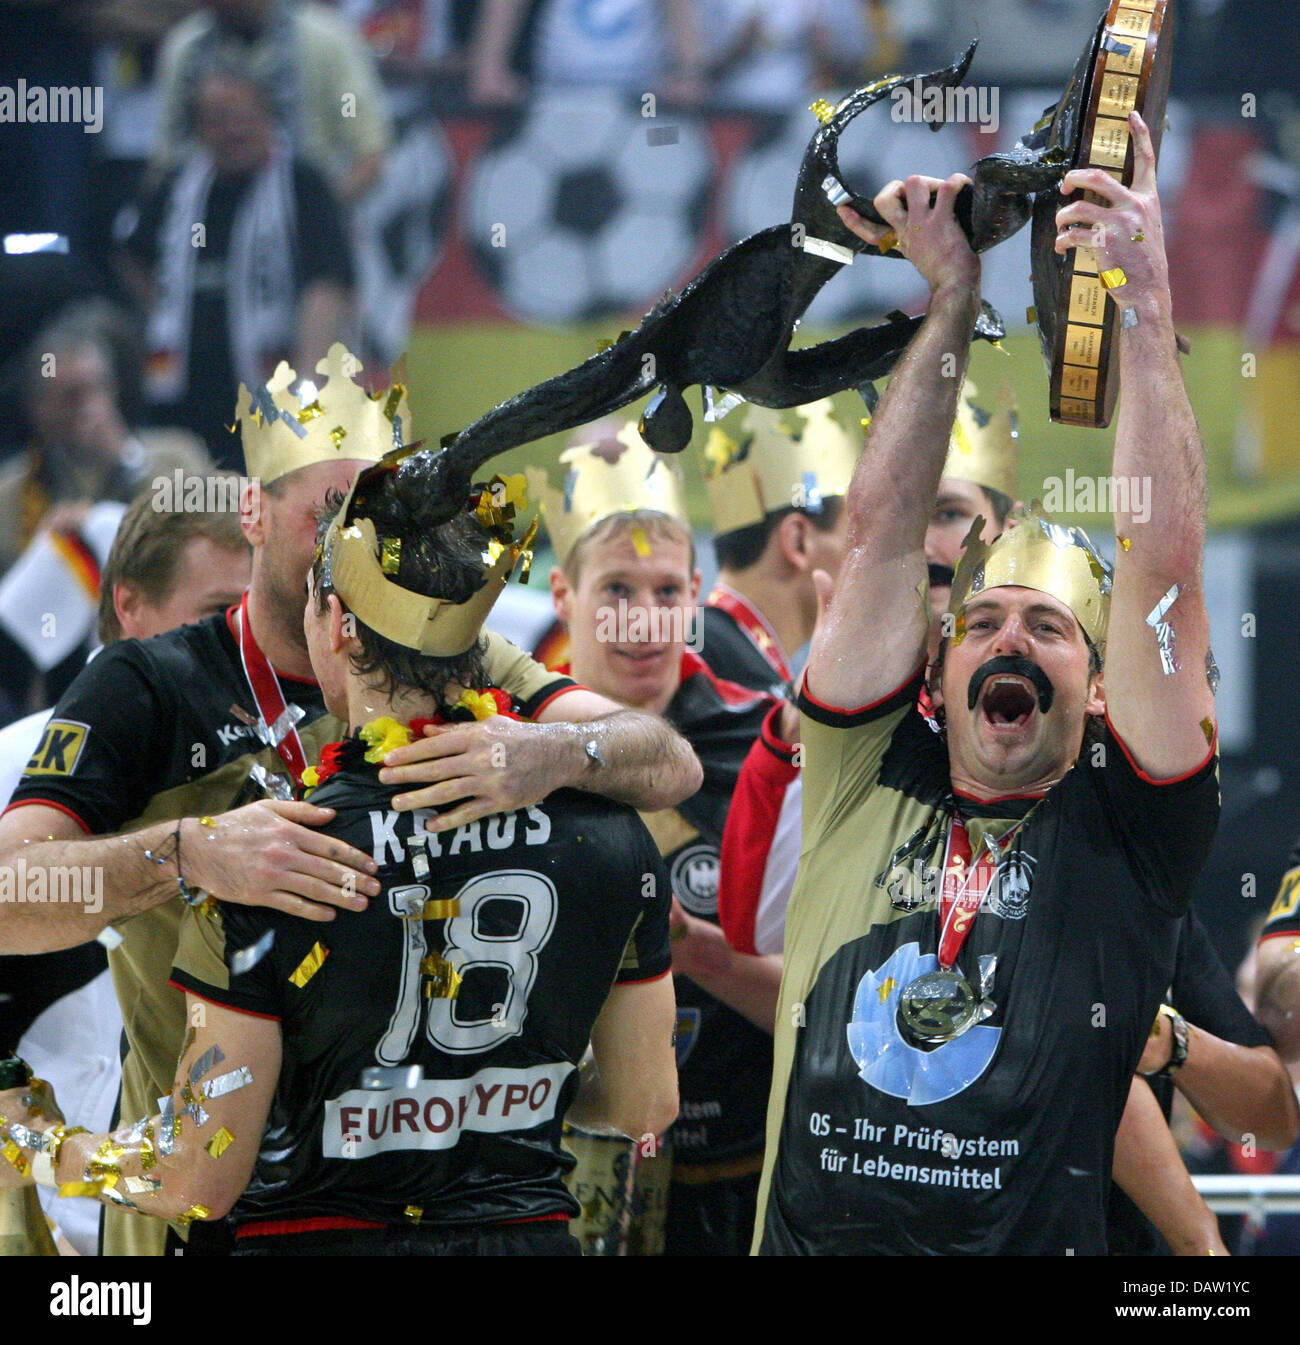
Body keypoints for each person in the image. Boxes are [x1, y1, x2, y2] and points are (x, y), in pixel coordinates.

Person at [0, 344, 701, 1255]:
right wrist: (184, 854)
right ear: (249, 510)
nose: (353, 535)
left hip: (315, 1191)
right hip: (195, 1212)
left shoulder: (460, 659)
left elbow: (668, 762)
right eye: (331, 510)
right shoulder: (147, 685)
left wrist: (554, 749)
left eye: (373, 507)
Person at [754, 113, 1221, 1254]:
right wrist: (950, 300)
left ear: (1101, 689)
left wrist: (1146, 300)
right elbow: (874, 539)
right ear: (940, 660)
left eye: (1050, 630)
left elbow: (1158, 563)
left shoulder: (1129, 829)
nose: (1008, 642)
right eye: (984, 622)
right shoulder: (866, 766)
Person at [530, 424, 775, 1255]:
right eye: (616, 589)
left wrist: (693, 948)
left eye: (667, 592)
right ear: (562, 593)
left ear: (700, 594)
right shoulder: (506, 748)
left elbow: (829, 1004)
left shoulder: (760, 750)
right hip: (545, 1176)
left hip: (739, 1179)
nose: (643, 620)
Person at [0, 483, 250, 1255]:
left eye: (255, 617)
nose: (241, 645)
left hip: (221, 1204)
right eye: (218, 616)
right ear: (129, 605)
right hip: (59, 1223)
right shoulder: (15, 763)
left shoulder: (284, 769)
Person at [121, 62, 355, 467]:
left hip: (274, 401)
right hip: (185, 403)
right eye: (216, 120)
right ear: (197, 130)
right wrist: (162, 311)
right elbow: (131, 255)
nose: (232, 131)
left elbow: (328, 286)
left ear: (267, 116)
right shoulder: (179, 186)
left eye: (243, 117)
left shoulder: (301, 184)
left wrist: (305, 393)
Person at [153, 0, 392, 205]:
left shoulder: (325, 40)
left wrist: (320, 216)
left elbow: (369, 152)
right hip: (207, 222)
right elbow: (168, 156)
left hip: (313, 212)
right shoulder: (185, 47)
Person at [699, 399, 859, 698]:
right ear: (799, 541)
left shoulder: (713, 649)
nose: (867, 556)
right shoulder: (708, 662)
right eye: (856, 534)